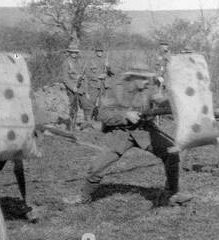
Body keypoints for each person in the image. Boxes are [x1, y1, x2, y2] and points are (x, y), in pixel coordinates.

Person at [65, 69, 190, 209]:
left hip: (144, 131)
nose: (145, 83)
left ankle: (171, 194)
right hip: (121, 134)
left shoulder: (149, 87)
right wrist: (125, 115)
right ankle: (84, 197)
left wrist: (173, 100)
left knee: (172, 152)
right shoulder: (116, 90)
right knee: (97, 166)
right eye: (141, 79)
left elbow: (159, 100)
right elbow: (102, 114)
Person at [61, 41, 88, 130]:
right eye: (73, 52)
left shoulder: (79, 62)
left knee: (85, 105)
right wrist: (73, 87)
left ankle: (84, 125)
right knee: (73, 107)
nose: (74, 54)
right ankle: (71, 126)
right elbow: (65, 78)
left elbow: (82, 75)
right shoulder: (66, 62)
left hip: (80, 87)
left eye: (76, 52)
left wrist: (82, 79)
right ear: (70, 53)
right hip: (72, 88)